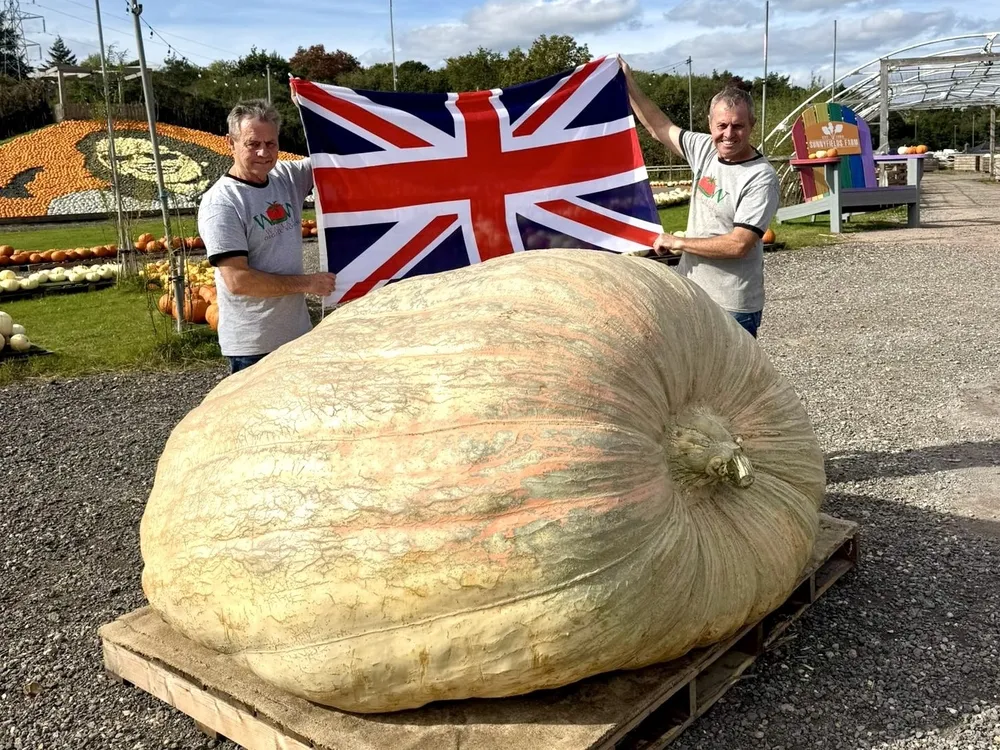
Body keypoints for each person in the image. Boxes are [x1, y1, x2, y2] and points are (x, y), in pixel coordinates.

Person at [619, 56, 779, 338]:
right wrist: (628, 83)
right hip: (692, 294)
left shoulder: (760, 177)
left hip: (732, 306)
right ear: (710, 123)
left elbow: (738, 245)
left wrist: (678, 241)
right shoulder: (704, 148)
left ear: (752, 124)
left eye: (738, 126)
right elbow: (659, 127)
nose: (728, 134)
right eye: (722, 126)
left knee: (727, 383)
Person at [198, 100, 337, 374]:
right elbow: (238, 281)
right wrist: (309, 283)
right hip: (254, 347)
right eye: (253, 144)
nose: (263, 152)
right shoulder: (223, 203)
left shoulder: (285, 177)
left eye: (271, 143)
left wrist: (314, 105)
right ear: (231, 143)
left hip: (298, 335)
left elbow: (333, 158)